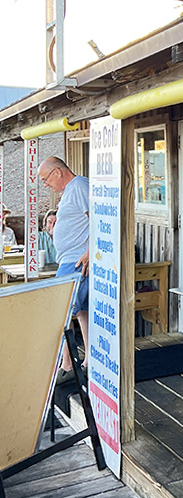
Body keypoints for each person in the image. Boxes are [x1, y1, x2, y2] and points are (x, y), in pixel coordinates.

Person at [38, 157, 89, 381]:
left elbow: (100, 218)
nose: (45, 185)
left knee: (62, 311)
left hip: (75, 260)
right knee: (81, 311)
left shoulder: (79, 186)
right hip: (70, 259)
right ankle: (88, 360)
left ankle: (68, 364)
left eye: (45, 179)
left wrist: (91, 250)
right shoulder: (70, 190)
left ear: (57, 172)